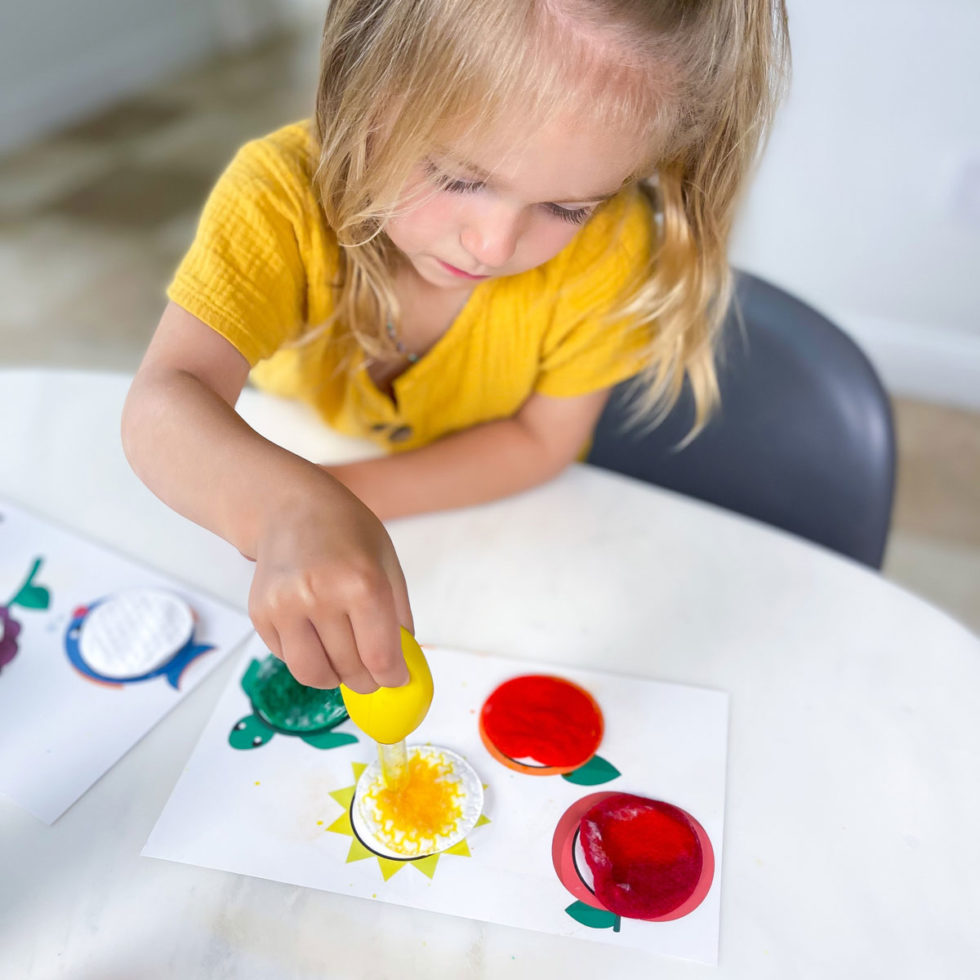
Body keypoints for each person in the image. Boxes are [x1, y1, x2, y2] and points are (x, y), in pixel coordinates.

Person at [122, 0, 789, 695]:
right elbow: (163, 401)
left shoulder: (609, 250)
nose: (494, 245)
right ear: (365, 88)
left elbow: (541, 440)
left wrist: (339, 500)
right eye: (459, 178)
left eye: (567, 208)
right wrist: (293, 508)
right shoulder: (278, 203)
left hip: (510, 555)